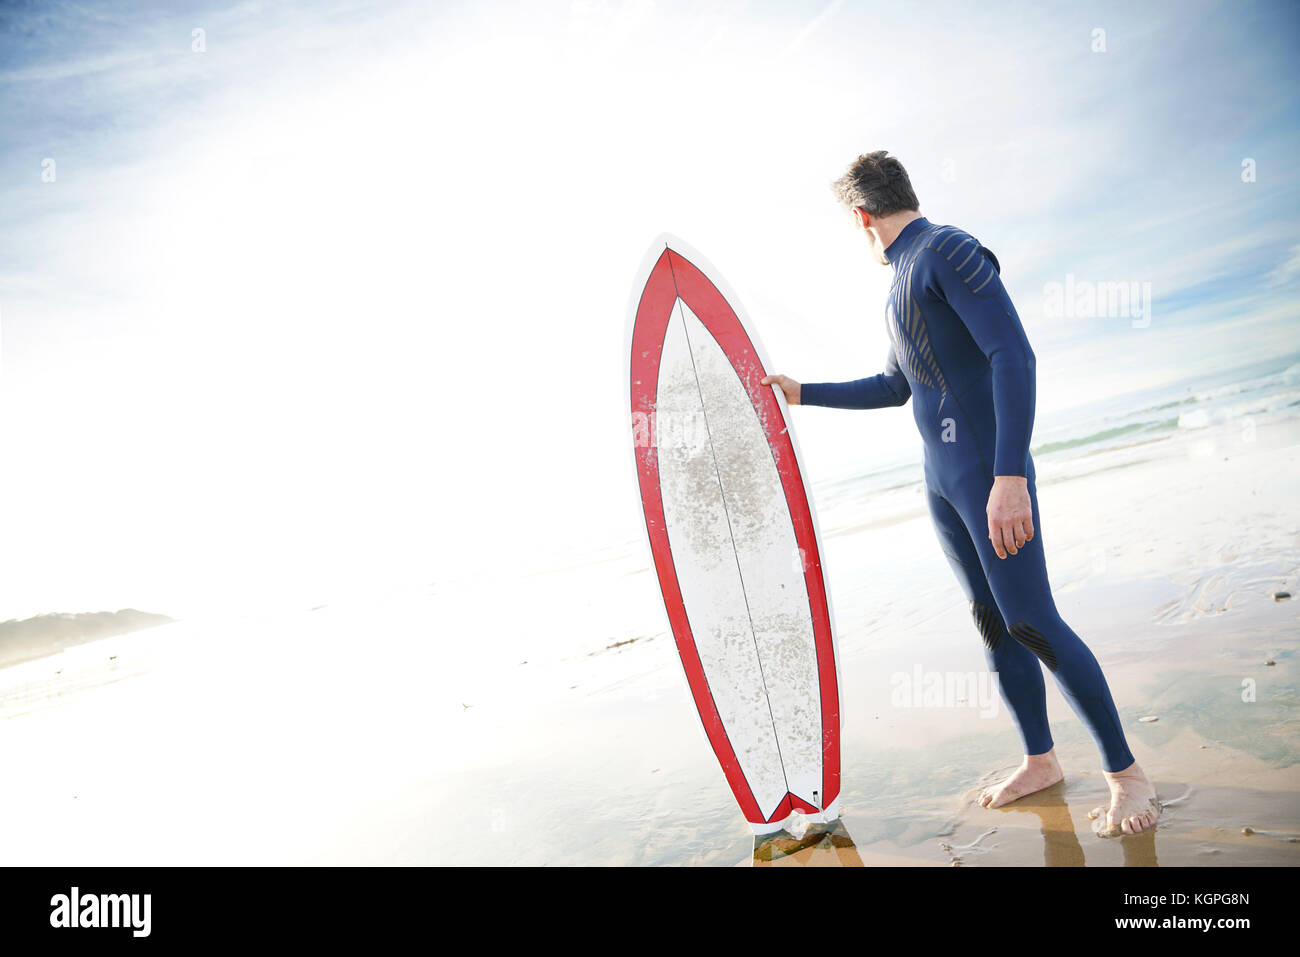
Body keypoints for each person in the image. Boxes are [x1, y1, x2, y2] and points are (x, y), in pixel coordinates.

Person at [761, 151, 1160, 837]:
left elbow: (1015, 354)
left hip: (986, 477)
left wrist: (1009, 475)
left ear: (861, 217)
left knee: (1033, 620)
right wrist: (804, 393)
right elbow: (896, 385)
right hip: (945, 485)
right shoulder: (898, 290)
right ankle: (1041, 759)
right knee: (994, 622)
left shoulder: (948, 249)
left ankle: (1127, 775)